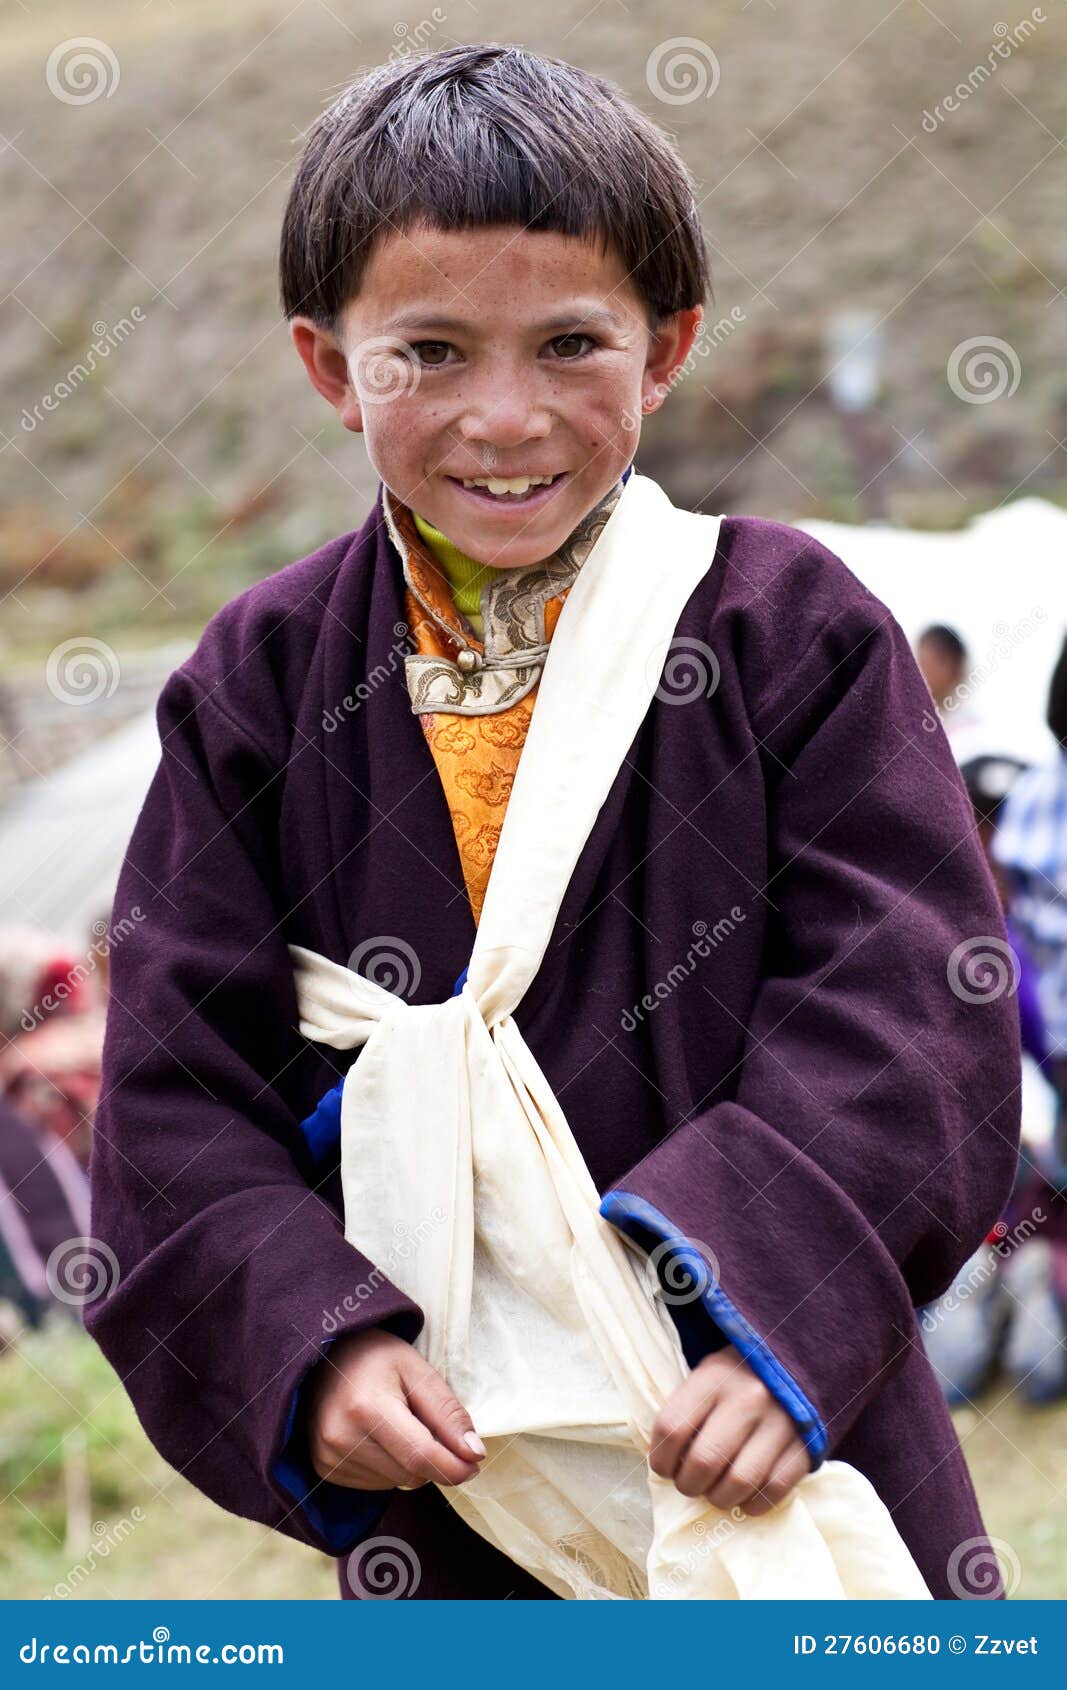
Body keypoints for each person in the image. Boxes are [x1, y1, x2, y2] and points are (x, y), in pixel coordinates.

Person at [83, 44, 1021, 1601]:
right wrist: (314, 1345)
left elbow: (910, 1001)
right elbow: (177, 1087)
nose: (503, 419)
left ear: (670, 350)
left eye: (572, 343)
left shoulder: (788, 630)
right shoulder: (259, 679)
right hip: (453, 1445)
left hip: (762, 1408)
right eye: (430, 352)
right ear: (330, 368)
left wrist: (770, 1314)